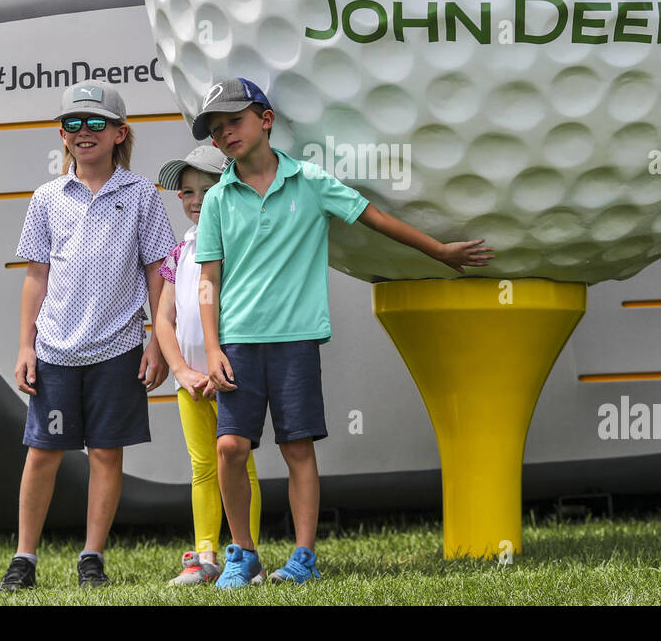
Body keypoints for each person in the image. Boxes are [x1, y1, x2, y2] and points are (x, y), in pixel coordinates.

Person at [192, 77, 494, 588]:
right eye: (216, 130)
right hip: (238, 342)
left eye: (234, 121)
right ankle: (243, 554)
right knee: (230, 448)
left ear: (266, 120)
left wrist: (439, 251)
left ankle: (303, 558)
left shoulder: (310, 181)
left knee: (297, 447)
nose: (225, 134)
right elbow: (208, 280)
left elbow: (376, 219)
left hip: (295, 340)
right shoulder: (219, 197)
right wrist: (213, 346)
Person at [0, 80, 175, 592]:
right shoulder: (47, 198)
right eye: (72, 123)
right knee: (43, 453)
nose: (84, 131)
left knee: (105, 453)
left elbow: (158, 272)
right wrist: (26, 345)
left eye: (96, 122)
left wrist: (158, 342)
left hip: (119, 348)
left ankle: (91, 557)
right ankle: (24, 558)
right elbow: (36, 275)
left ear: (120, 133)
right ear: (62, 135)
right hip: (55, 348)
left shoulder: (140, 195)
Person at [152, 145, 264, 585]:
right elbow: (164, 319)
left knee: (240, 464)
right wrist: (182, 371)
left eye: (207, 189)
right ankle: (205, 557)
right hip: (190, 383)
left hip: (231, 376)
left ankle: (246, 557)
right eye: (187, 191)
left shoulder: (241, 244)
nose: (196, 199)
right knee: (202, 467)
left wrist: (220, 367)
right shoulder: (180, 251)